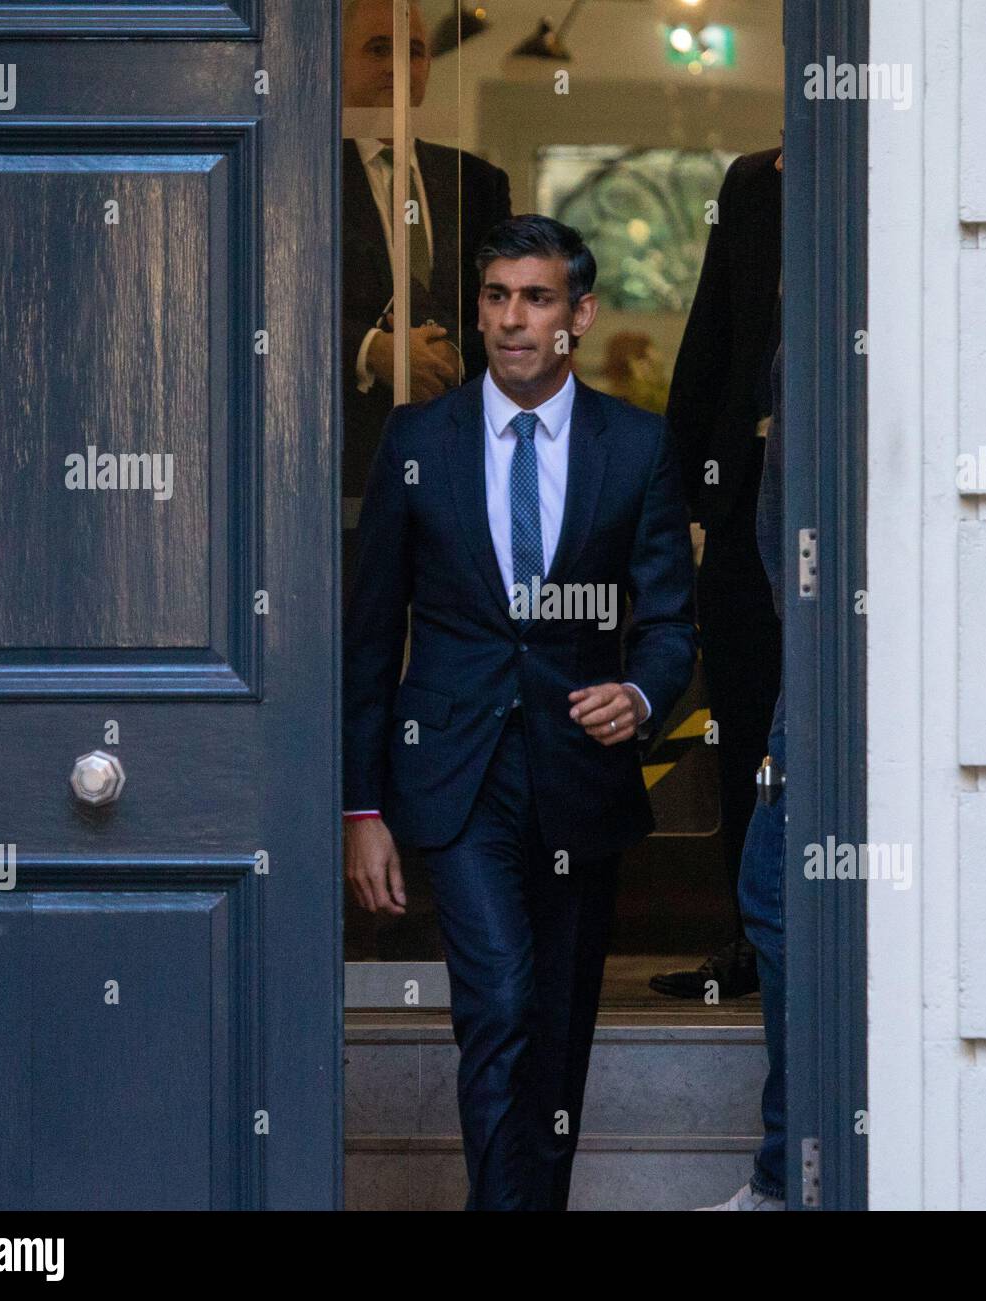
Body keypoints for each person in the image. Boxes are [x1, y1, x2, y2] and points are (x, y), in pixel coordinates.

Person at [342, 214, 697, 1211]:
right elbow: (371, 639)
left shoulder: (635, 445)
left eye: (536, 298)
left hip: (580, 777)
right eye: (497, 297)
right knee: (497, 999)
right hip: (456, 778)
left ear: (577, 314)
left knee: (556, 1026)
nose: (511, 319)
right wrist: (359, 808)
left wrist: (636, 693)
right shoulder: (419, 440)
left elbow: (670, 621)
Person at [652, 144, 785, 1001]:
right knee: (738, 716)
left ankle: (831, 927)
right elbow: (712, 334)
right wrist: (680, 499)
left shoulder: (898, 153)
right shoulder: (752, 181)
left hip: (854, 497)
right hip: (741, 494)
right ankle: (746, 939)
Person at [341, 0, 512, 526]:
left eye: (413, 52)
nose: (399, 67)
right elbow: (264, 309)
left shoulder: (478, 183)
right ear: (336, 61)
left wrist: (450, 360)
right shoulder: (298, 174)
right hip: (340, 477)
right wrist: (374, 352)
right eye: (377, 49)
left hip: (458, 477)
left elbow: (508, 310)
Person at [701, 334, 787, 1211]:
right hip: (815, 643)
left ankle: (789, 1178)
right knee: (779, 897)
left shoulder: (832, 281)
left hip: (839, 652)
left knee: (779, 897)